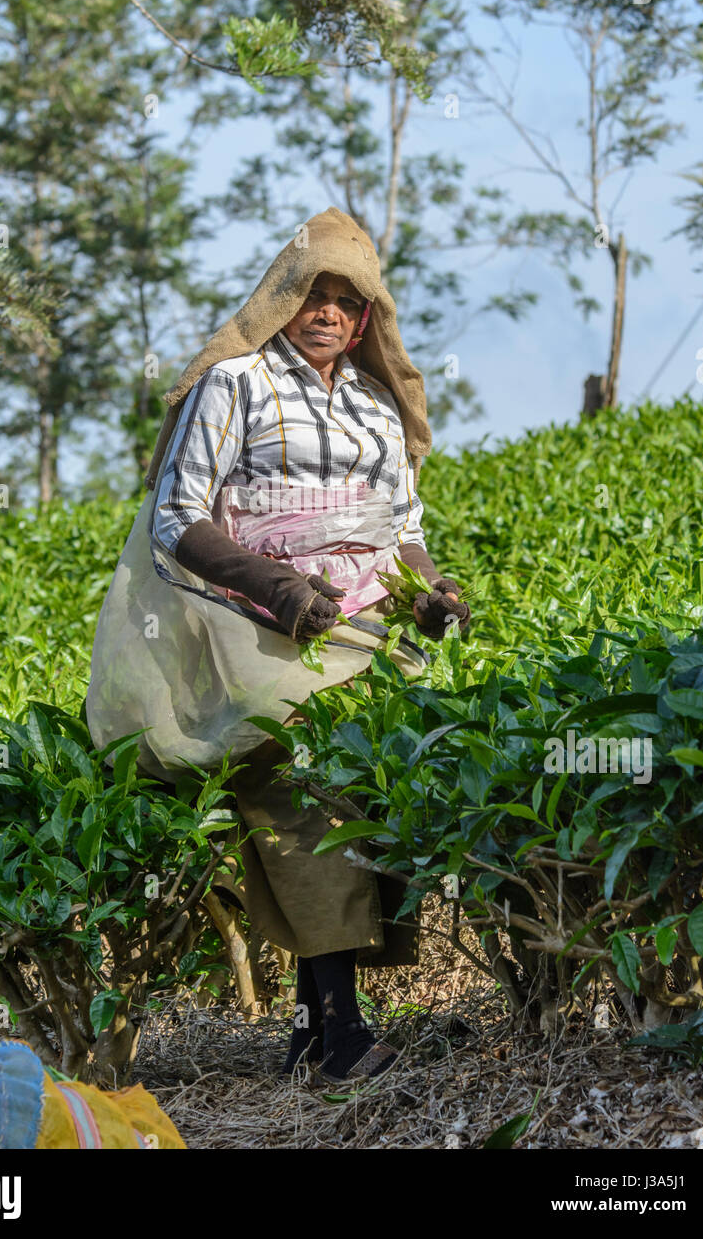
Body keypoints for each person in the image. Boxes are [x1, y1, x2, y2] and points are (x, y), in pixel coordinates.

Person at [141, 208, 471, 1083]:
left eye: (345, 300)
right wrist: (278, 587)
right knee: (304, 807)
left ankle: (311, 1032)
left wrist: (430, 591)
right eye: (312, 295)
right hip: (260, 629)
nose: (327, 313)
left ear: (365, 317)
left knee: (367, 807)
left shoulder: (375, 402)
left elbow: (404, 525)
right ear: (284, 299)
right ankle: (345, 1036)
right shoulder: (236, 384)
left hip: (365, 631)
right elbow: (179, 517)